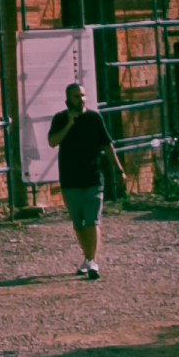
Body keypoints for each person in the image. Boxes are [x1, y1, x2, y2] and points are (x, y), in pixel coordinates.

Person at [49, 81, 113, 279]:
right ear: (68, 99)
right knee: (78, 222)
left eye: (83, 95)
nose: (81, 99)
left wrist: (118, 169)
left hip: (93, 177)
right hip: (70, 179)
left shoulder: (94, 118)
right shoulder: (60, 118)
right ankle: (87, 258)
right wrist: (69, 122)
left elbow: (107, 144)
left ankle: (93, 261)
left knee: (92, 220)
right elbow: (52, 142)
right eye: (77, 96)